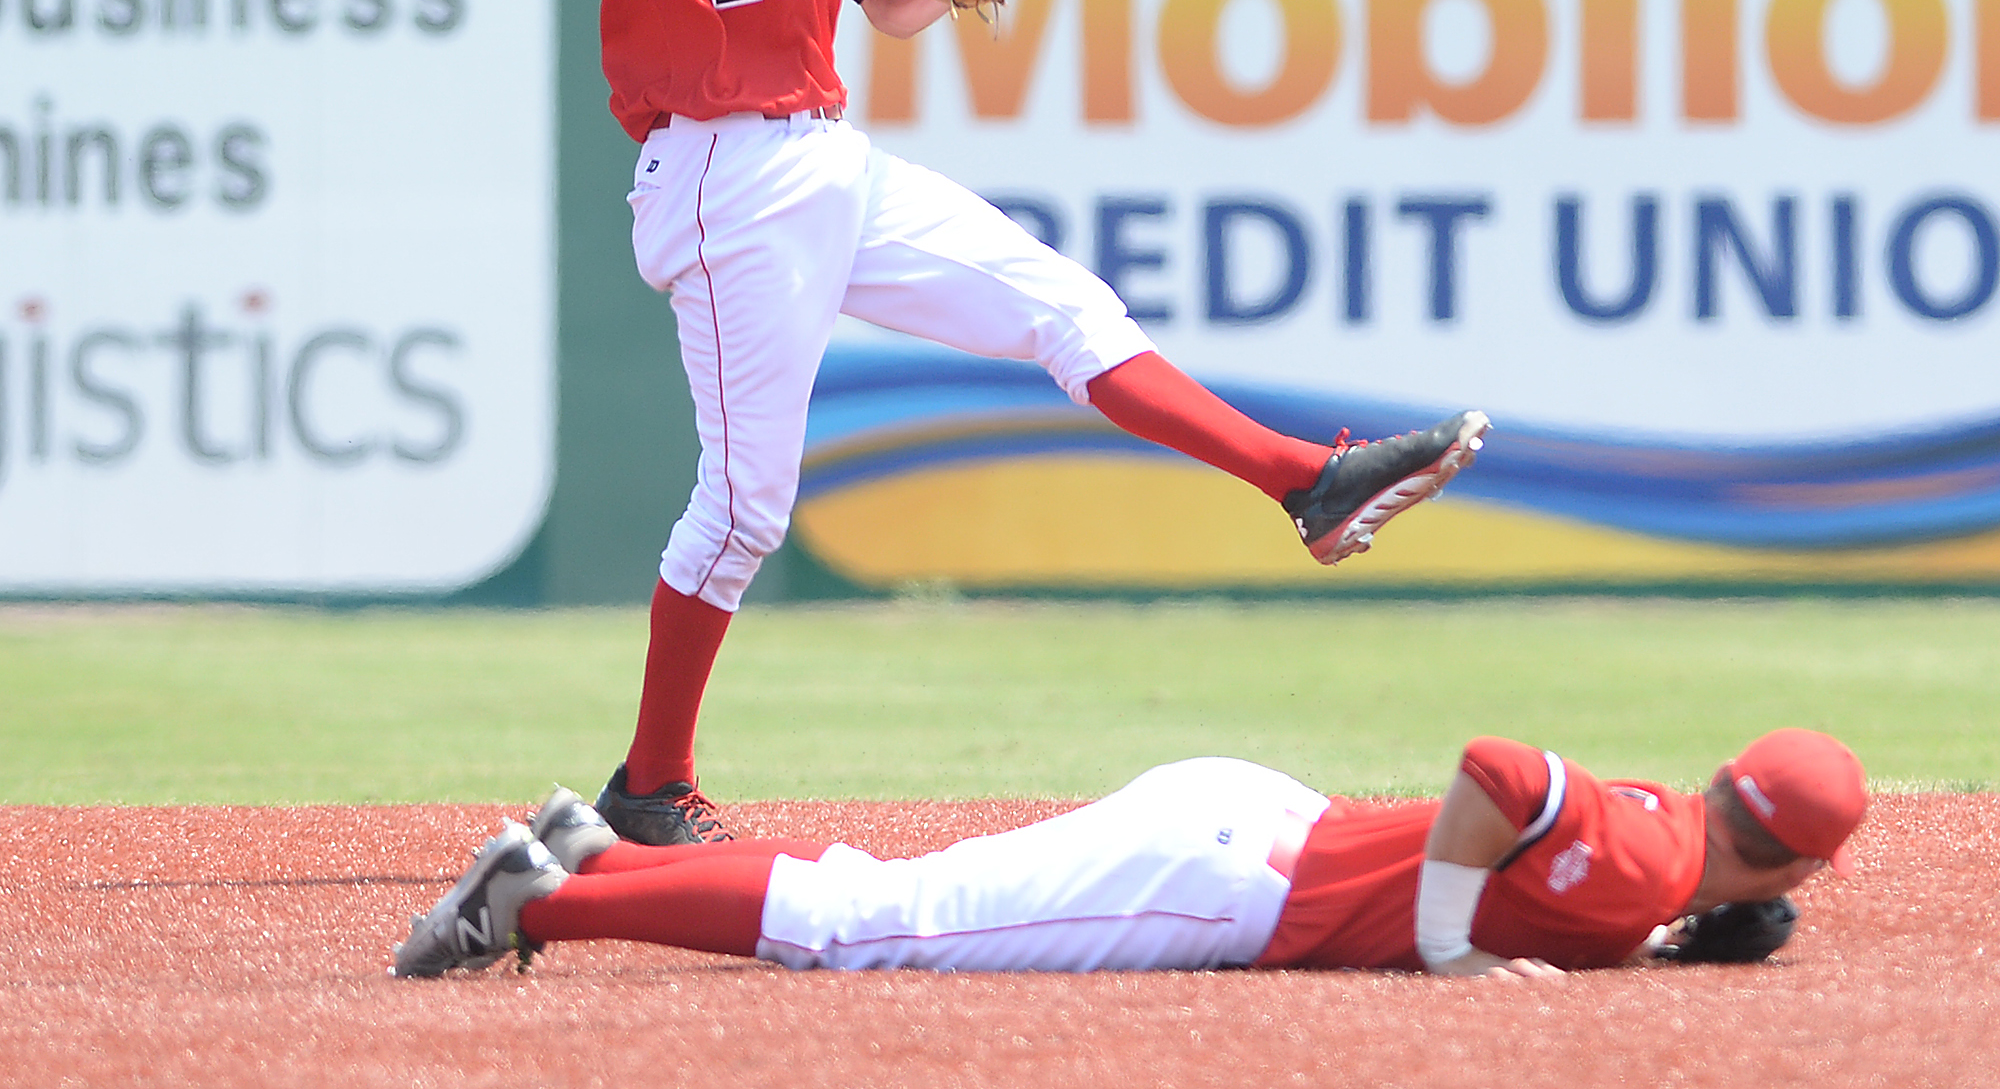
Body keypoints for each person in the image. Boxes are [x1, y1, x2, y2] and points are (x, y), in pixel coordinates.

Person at [195, 0, 1489, 850]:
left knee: (1060, 304)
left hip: (828, 156)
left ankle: (1303, 484)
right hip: (718, 171)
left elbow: (902, 9)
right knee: (747, 508)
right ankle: (651, 786)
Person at [389, 727, 1866, 980]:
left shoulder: (1662, 861)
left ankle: (590, 858)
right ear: (1797, 869)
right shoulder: (1653, 876)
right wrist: (1446, 945)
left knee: (895, 900)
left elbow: (1567, 855)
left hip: (1249, 824)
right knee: (866, 927)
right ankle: (544, 906)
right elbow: (1501, 774)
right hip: (1227, 878)